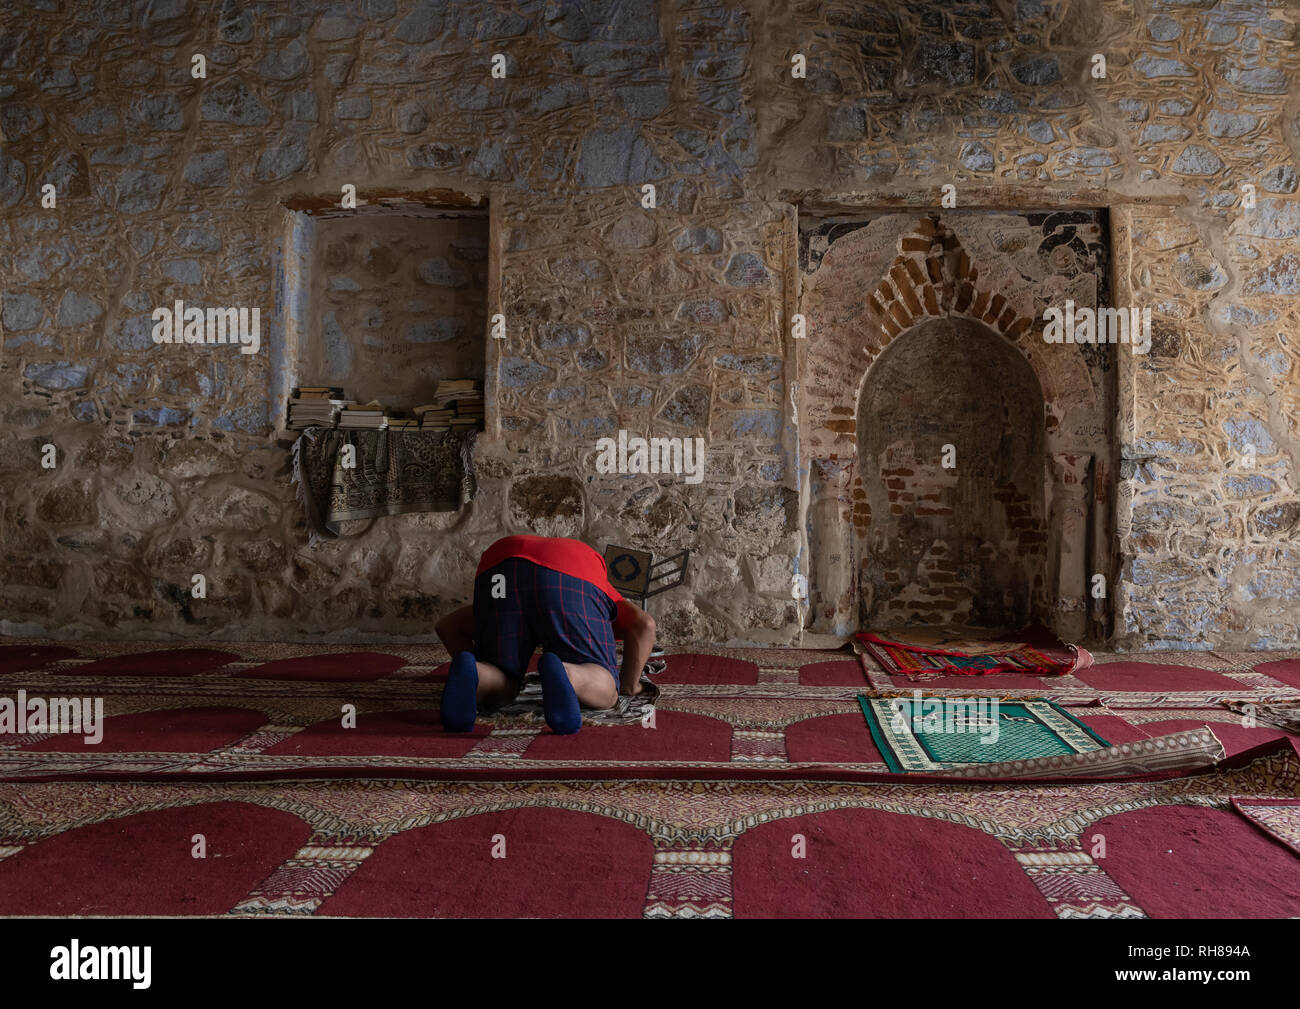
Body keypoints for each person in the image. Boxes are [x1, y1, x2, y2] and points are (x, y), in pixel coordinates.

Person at [435, 534, 657, 735]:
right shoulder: (606, 595)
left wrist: (472, 660)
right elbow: (645, 625)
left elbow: (448, 626)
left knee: (504, 681)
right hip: (571, 569)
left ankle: (475, 673)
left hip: (500, 565)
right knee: (607, 690)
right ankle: (569, 674)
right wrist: (630, 685)